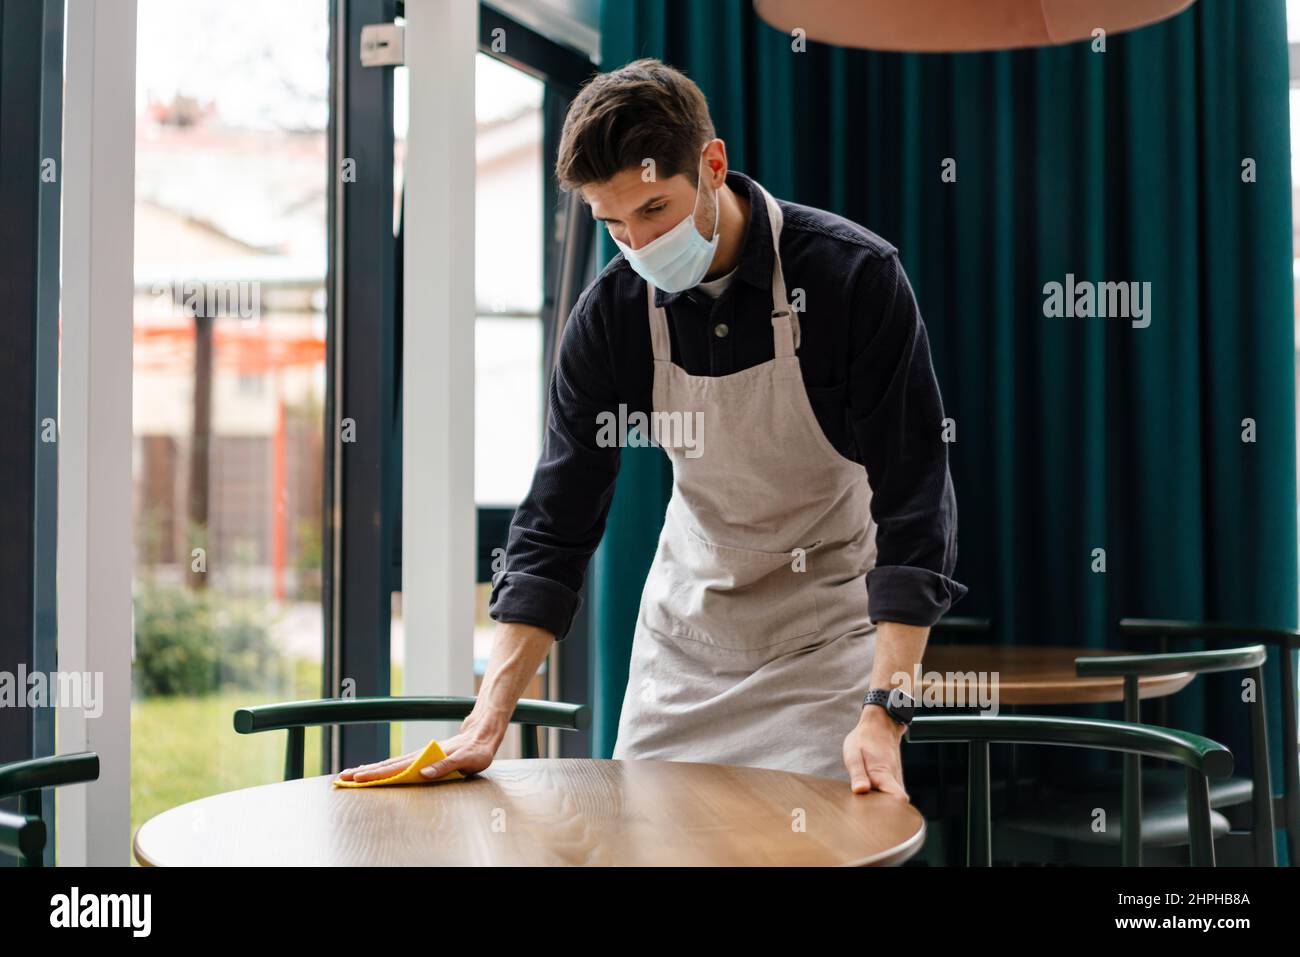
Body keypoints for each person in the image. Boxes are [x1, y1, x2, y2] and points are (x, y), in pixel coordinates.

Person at [338, 57, 966, 796]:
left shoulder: (852, 279)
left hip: (824, 646)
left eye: (654, 210)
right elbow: (557, 519)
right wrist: (487, 717)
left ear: (711, 164)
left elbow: (916, 505)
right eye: (611, 224)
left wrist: (886, 708)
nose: (635, 245)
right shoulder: (611, 316)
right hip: (685, 651)